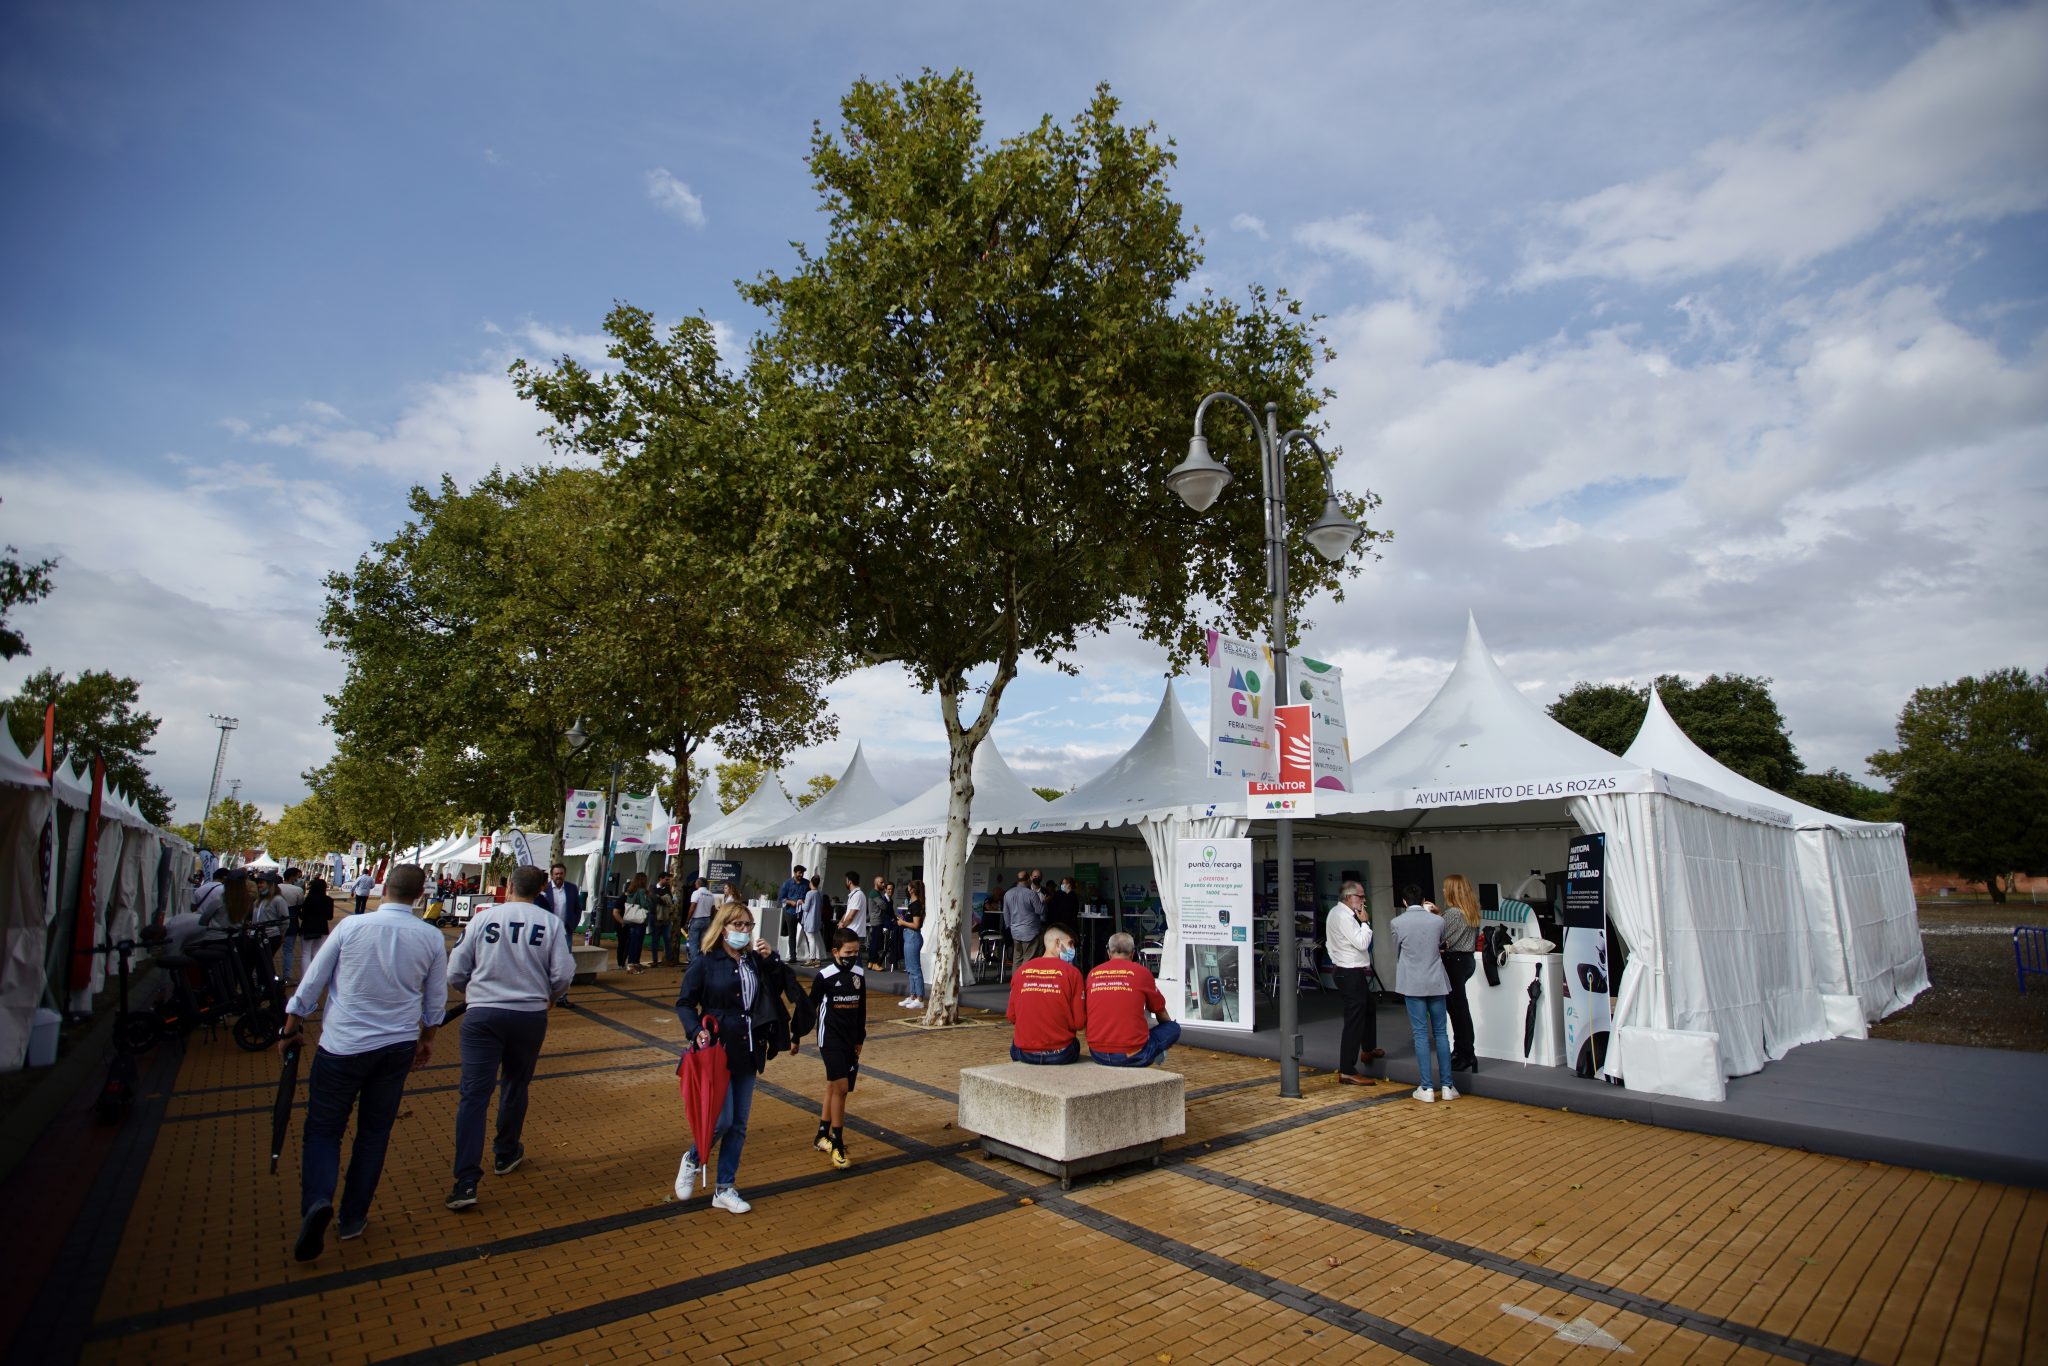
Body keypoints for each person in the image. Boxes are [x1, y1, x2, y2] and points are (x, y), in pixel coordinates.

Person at [280, 864, 447, 1261]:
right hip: (395, 1047)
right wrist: (427, 1039)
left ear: (384, 888)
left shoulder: (352, 927)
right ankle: (353, 1216)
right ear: (420, 895)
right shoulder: (431, 937)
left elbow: (315, 978)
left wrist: (291, 1024)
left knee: (323, 1129)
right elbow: (436, 1001)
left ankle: (319, 1199)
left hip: (343, 1044)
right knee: (373, 1133)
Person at [443, 864, 575, 1211]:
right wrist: (548, 995)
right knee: (516, 1084)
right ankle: (505, 1151)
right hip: (528, 1015)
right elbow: (563, 973)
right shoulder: (550, 924)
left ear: (509, 886)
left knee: (473, 1095)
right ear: (542, 889)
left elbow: (456, 969)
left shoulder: (483, 919)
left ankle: (466, 1179)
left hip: (483, 1012)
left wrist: (471, 991)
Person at [673, 900, 785, 1213]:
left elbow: (775, 990)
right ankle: (693, 1158)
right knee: (720, 1120)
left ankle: (724, 1187)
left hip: (747, 1049)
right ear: (723, 928)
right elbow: (685, 1002)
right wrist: (695, 1029)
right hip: (716, 1051)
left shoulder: (752, 960)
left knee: (739, 1124)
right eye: (738, 925)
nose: (744, 931)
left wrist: (771, 958)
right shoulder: (707, 961)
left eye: (748, 926)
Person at [805, 928, 866, 1169]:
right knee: (841, 1088)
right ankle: (838, 1143)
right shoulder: (825, 976)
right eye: (848, 952)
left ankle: (822, 1133)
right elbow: (809, 1006)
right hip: (829, 1039)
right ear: (835, 952)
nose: (852, 956)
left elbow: (862, 1009)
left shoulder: (859, 974)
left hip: (851, 1040)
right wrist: (796, 1036)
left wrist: (860, 1038)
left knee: (833, 1086)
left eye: (856, 952)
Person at [1391, 885, 1454, 1103]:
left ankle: (1426, 1088)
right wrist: (1434, 913)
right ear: (1424, 899)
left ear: (1405, 902)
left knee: (1420, 1034)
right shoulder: (1438, 921)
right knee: (1441, 1033)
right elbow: (1441, 943)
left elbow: (1395, 949)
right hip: (1436, 981)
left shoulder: (1397, 923)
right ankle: (1448, 1086)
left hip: (1412, 983)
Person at [1084, 932, 1179, 1067]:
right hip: (1133, 1054)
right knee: (1173, 1028)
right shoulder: (1142, 972)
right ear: (1133, 953)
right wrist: (1166, 1031)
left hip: (1098, 1053)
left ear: (1108, 952)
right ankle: (1155, 1051)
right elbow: (1160, 1011)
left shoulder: (1093, 973)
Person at [1006, 925, 1086, 1064]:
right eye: (1070, 943)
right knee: (1075, 1044)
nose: (1073, 949)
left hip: (1024, 1052)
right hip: (1061, 1053)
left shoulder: (1021, 971)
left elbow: (1011, 1016)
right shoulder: (1073, 973)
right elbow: (1079, 1022)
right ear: (1057, 943)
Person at [1326, 880, 1380, 1085]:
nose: (1364, 900)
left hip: (1347, 970)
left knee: (1369, 1006)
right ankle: (1347, 1069)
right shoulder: (1345, 917)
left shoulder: (1337, 913)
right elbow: (1362, 943)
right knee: (1354, 1020)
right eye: (1361, 896)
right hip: (1349, 972)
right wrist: (1365, 923)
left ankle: (1368, 1048)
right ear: (1350, 897)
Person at [1440, 874, 1481, 1074]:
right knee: (1459, 1008)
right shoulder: (1471, 910)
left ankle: (1464, 1053)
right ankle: (1464, 1051)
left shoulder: (1453, 914)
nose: (1442, 891)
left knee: (1456, 1009)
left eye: (1445, 888)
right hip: (1465, 960)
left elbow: (1438, 936)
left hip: (1453, 961)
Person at [1001, 870, 1043, 970]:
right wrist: (1044, 902)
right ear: (1028, 880)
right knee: (1028, 959)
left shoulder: (1008, 894)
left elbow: (1006, 913)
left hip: (1015, 932)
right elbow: (1040, 910)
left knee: (1017, 959)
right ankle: (1023, 983)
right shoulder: (1031, 894)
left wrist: (1009, 927)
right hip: (1030, 931)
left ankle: (1015, 983)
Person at [896, 880, 927, 1009]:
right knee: (909, 968)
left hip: (913, 937)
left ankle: (920, 998)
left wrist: (903, 923)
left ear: (912, 890)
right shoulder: (912, 904)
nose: (907, 889)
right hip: (908, 936)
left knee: (914, 969)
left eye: (908, 887)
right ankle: (913, 995)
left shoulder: (916, 905)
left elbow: (916, 925)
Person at [297, 876, 335, 972]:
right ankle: (316, 974)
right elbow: (330, 917)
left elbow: (303, 916)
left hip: (308, 927)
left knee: (306, 953)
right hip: (322, 928)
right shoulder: (329, 900)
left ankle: (305, 977)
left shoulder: (309, 899)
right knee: (317, 952)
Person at [618, 873, 653, 972]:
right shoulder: (642, 891)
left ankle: (631, 963)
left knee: (632, 942)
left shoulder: (630, 890)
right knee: (637, 942)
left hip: (631, 919)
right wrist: (649, 897)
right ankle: (633, 963)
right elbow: (644, 904)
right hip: (639, 920)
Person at [537, 863, 582, 941]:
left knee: (566, 952)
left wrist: (573, 924)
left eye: (561, 874)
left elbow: (577, 908)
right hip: (548, 929)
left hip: (566, 929)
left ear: (565, 874)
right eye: (556, 874)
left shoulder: (572, 888)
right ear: (552, 875)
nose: (559, 876)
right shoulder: (545, 888)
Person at [278, 869, 307, 980]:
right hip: (291, 921)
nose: (298, 879)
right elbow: (300, 904)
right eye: (297, 877)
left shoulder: (276, 888)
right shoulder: (297, 890)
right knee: (288, 950)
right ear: (292, 877)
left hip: (275, 922)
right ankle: (287, 976)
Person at [777, 865, 809, 959]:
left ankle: (812, 956)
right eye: (799, 873)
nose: (801, 875)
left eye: (802, 873)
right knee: (792, 935)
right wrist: (790, 902)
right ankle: (793, 956)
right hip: (790, 912)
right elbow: (781, 899)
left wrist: (805, 901)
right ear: (794, 873)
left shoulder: (807, 883)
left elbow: (811, 896)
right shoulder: (787, 883)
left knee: (808, 933)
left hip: (803, 912)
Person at [649, 873, 677, 967]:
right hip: (655, 916)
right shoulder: (653, 887)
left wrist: (659, 898)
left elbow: (669, 900)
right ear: (660, 879)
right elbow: (655, 899)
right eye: (666, 879)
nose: (667, 881)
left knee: (667, 939)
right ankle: (655, 960)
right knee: (655, 939)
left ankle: (668, 960)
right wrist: (664, 899)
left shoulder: (666, 888)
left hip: (665, 917)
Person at [686, 877, 718, 957]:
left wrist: (687, 921)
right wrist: (711, 920)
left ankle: (694, 964)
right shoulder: (711, 894)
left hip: (696, 920)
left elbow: (692, 907)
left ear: (699, 884)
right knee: (703, 944)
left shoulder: (696, 893)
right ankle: (702, 964)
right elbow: (713, 909)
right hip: (706, 920)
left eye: (696, 883)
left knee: (693, 943)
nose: (695, 884)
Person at [867, 876, 893, 971]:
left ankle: (870, 962)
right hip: (877, 920)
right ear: (876, 883)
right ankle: (874, 963)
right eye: (881, 882)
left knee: (874, 942)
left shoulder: (876, 893)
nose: (883, 884)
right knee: (875, 943)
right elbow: (883, 906)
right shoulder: (874, 893)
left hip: (876, 919)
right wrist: (885, 903)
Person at [798, 875, 826, 964]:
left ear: (811, 882)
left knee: (811, 939)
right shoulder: (819, 893)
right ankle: (818, 957)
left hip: (810, 920)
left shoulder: (809, 893)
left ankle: (812, 958)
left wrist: (801, 903)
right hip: (817, 919)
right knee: (816, 939)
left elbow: (806, 908)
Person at [837, 871, 867, 950]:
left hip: (855, 932)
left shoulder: (858, 895)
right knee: (851, 958)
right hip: (852, 931)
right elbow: (848, 912)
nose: (845, 882)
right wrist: (841, 921)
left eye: (846, 880)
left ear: (849, 881)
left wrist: (842, 925)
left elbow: (851, 916)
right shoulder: (854, 895)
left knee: (853, 957)